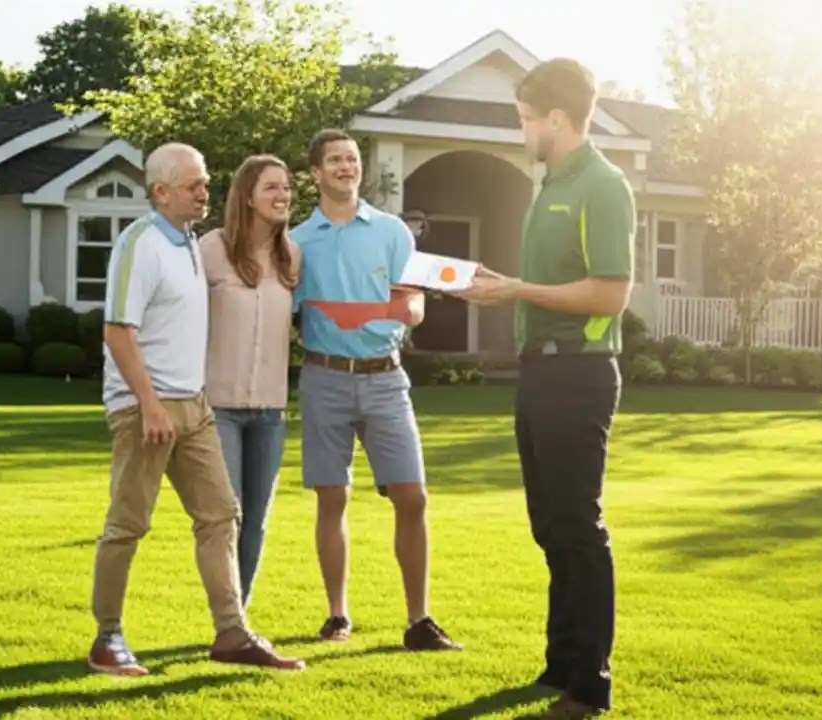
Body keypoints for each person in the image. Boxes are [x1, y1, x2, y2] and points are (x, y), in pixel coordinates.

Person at [455, 59, 635, 719]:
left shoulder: (602, 186)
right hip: (540, 369)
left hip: (578, 372)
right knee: (549, 525)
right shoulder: (551, 183)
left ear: (558, 118)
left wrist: (518, 291)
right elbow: (553, 283)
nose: (521, 128)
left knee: (577, 525)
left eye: (527, 118)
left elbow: (612, 294)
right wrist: (502, 283)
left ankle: (590, 684)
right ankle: (561, 662)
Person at [87, 142, 304, 676]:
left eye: (205, 181)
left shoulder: (187, 242)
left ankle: (231, 632)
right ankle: (107, 638)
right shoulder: (141, 244)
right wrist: (150, 404)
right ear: (160, 191)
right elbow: (118, 331)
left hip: (195, 407)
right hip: (147, 411)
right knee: (128, 524)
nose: (204, 190)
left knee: (220, 516)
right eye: (192, 184)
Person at [291, 128, 462, 652]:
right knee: (332, 498)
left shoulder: (392, 232)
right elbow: (286, 312)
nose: (347, 167)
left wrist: (377, 313)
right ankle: (337, 615)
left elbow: (414, 306)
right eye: (335, 160)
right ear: (316, 173)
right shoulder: (295, 242)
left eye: (352, 159)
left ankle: (419, 620)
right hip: (323, 379)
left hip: (386, 378)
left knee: (412, 497)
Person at [199, 154, 301, 608]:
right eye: (271, 188)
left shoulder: (291, 255)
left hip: (271, 410)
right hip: (218, 407)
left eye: (286, 188)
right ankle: (227, 617)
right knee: (227, 515)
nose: (283, 196)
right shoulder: (211, 249)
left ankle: (240, 616)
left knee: (256, 518)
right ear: (247, 196)